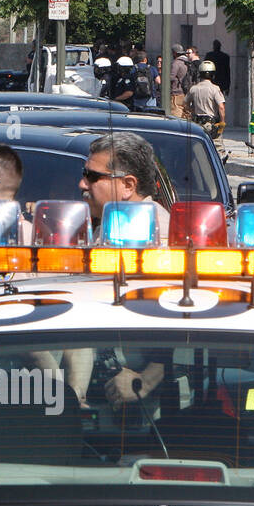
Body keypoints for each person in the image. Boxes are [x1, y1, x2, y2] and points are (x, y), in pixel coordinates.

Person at [73, 132, 173, 407]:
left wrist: (148, 379)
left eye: (92, 176)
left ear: (128, 185)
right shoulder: (107, 228)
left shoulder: (158, 237)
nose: (82, 183)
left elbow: (181, 323)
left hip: (143, 406)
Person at [184, 60, 225, 142]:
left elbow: (185, 103)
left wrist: (192, 111)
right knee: (216, 146)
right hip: (210, 124)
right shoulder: (215, 89)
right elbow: (221, 107)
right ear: (213, 74)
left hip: (197, 123)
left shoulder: (194, 88)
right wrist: (222, 121)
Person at [169, 44, 189, 117]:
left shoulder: (176, 63)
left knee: (175, 114)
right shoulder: (187, 62)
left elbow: (170, 77)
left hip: (176, 93)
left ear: (174, 53)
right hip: (185, 92)